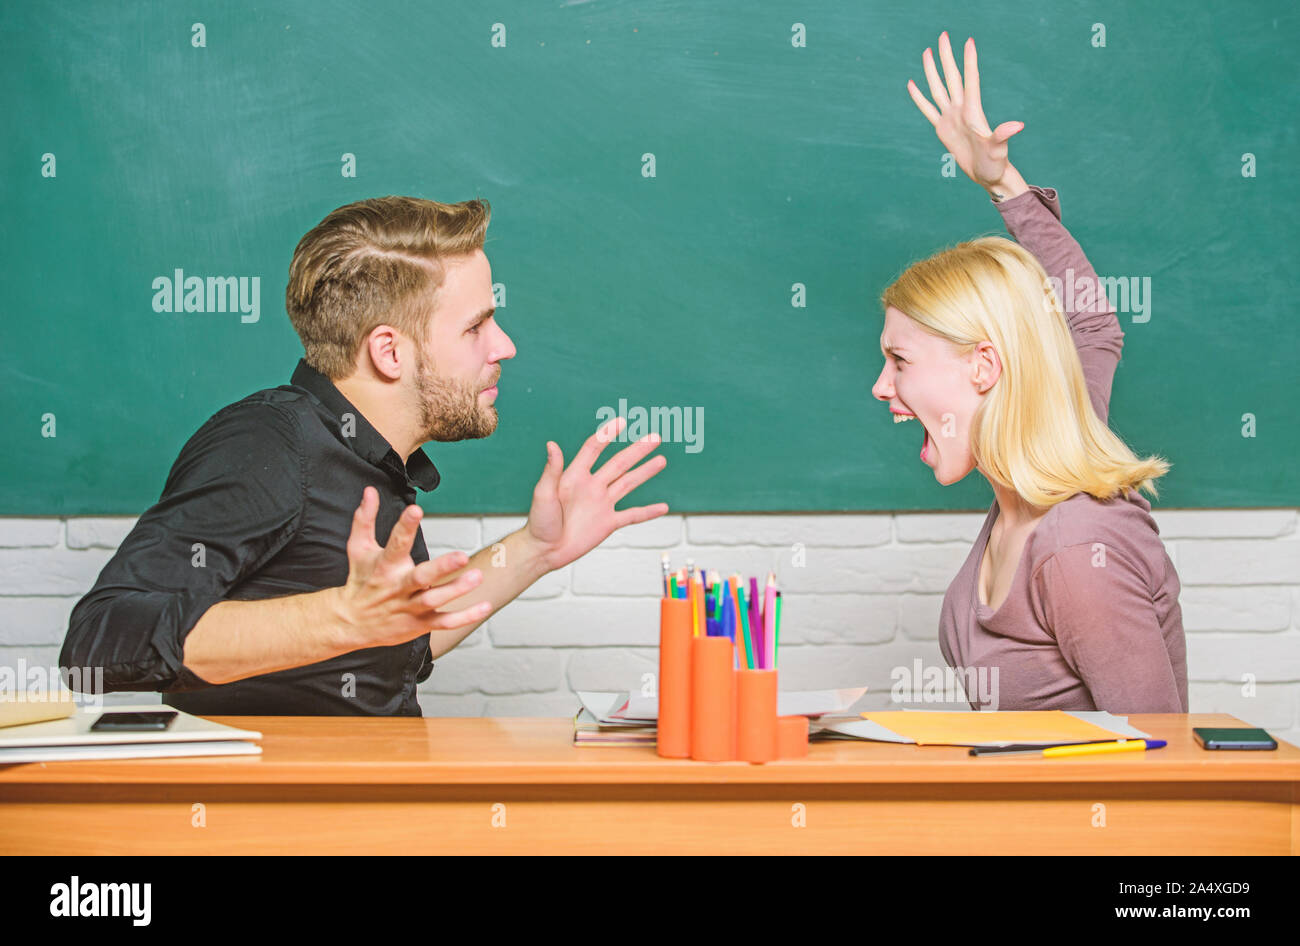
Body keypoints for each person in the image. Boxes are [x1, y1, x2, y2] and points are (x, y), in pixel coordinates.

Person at [60, 196, 669, 715]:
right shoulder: (268, 443)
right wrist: (343, 618)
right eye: (476, 326)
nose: (504, 346)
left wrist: (538, 549)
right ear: (390, 352)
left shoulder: (372, 463)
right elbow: (97, 643)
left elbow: (404, 632)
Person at [873, 33, 1187, 712]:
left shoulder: (1077, 544)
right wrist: (1001, 183)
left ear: (985, 366)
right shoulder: (1053, 457)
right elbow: (1091, 324)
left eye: (899, 360)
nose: (880, 386)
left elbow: (1161, 771)